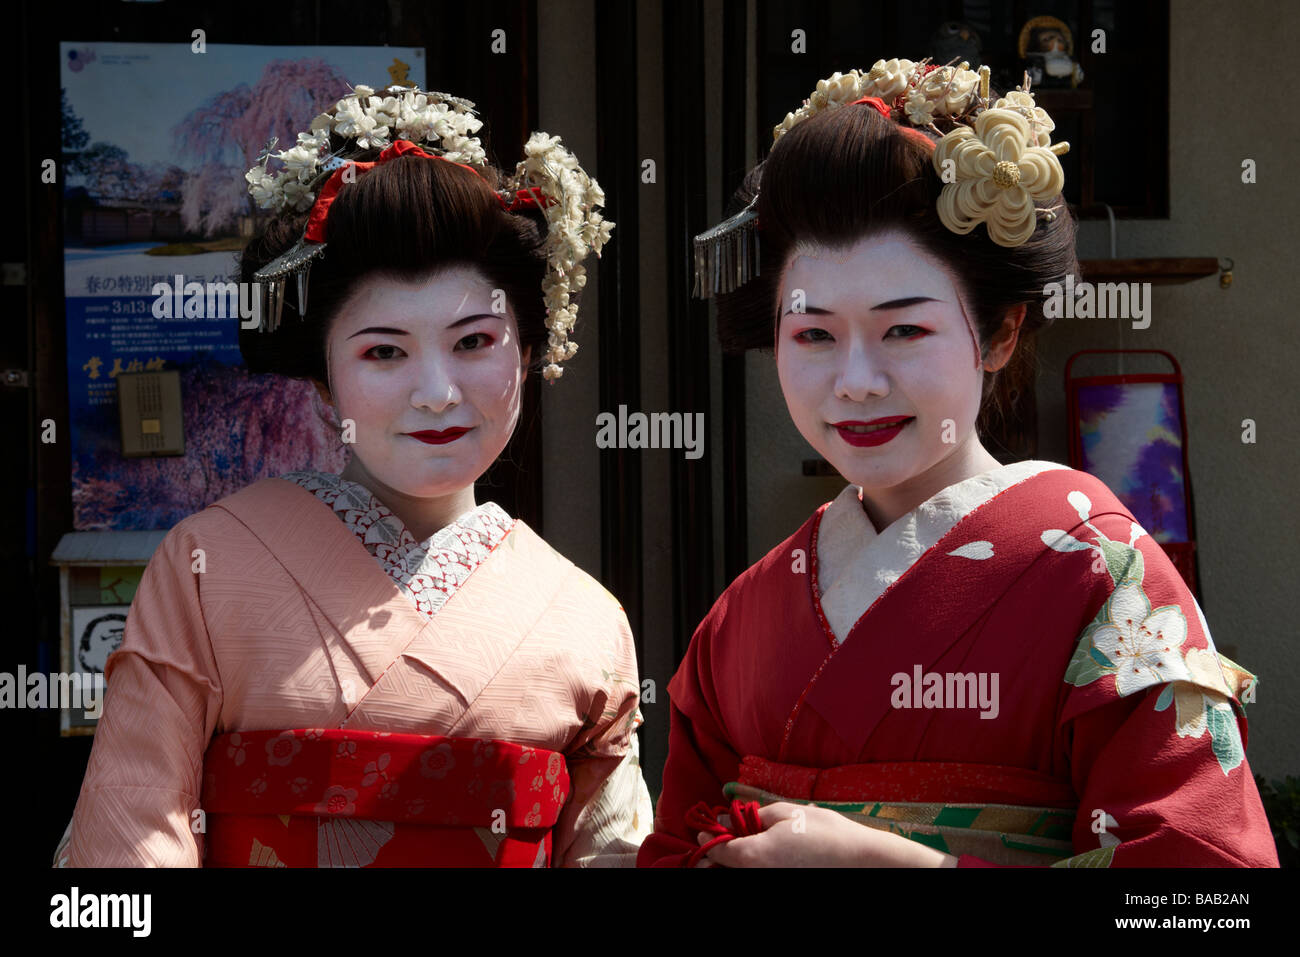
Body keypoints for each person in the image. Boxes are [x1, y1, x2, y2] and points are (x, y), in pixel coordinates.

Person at [640, 61, 1277, 867]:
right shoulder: (741, 620)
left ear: (1002, 334)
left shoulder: (1104, 578)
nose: (856, 380)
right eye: (812, 335)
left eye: (904, 330)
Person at [57, 83, 652, 867]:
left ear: (530, 351)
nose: (437, 391)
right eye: (384, 351)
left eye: (474, 342)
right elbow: (131, 839)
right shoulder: (206, 565)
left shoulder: (585, 615)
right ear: (322, 375)